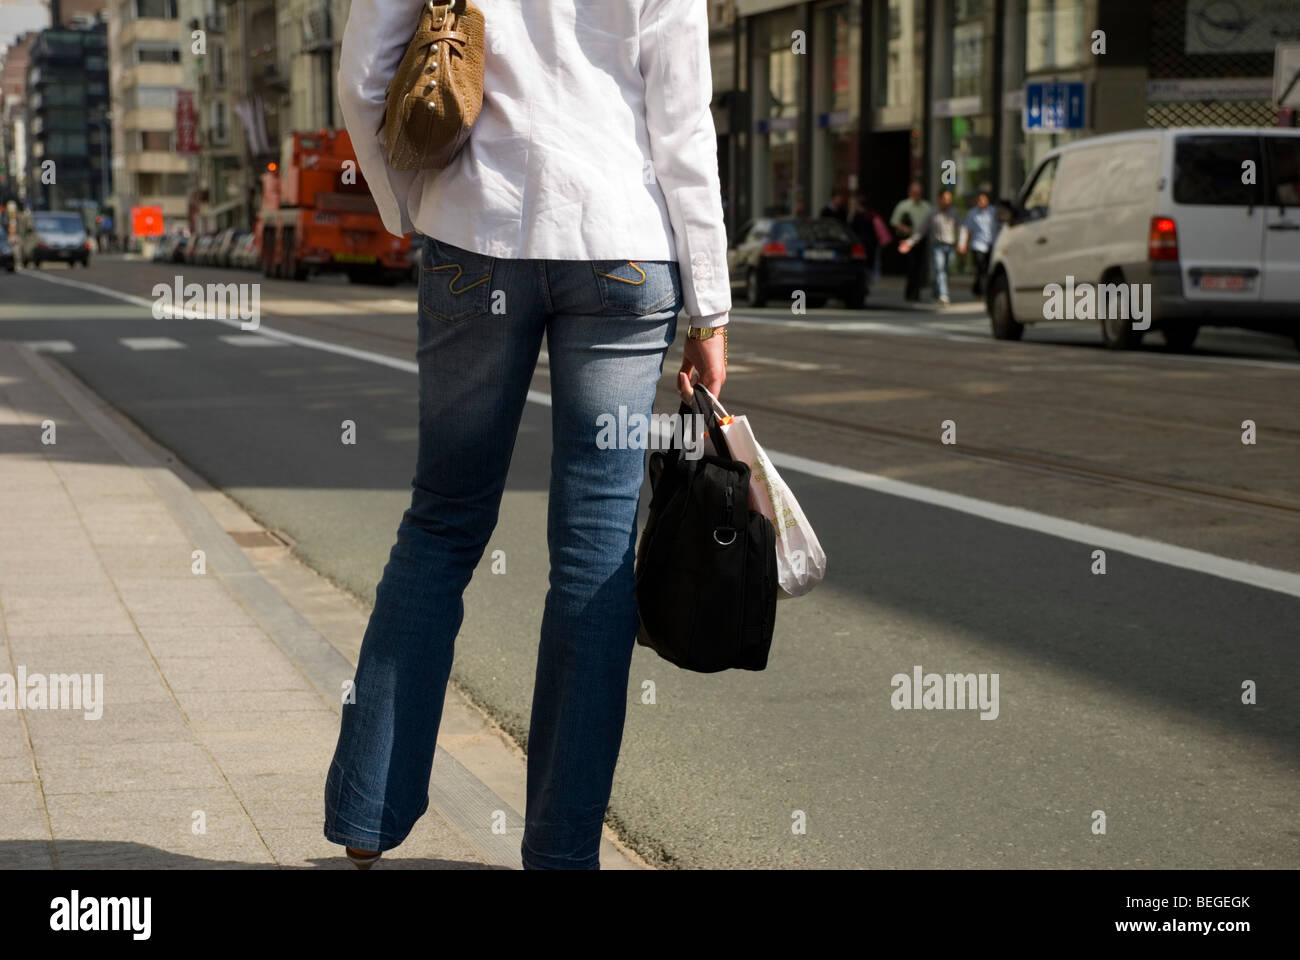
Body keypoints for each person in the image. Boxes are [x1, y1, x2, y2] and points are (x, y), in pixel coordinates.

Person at [329, 0, 729, 871]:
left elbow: (364, 72)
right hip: (621, 246)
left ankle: (368, 813)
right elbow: (682, 117)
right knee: (594, 555)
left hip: (476, 230)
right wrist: (710, 308)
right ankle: (562, 852)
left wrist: (410, 208)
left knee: (440, 525)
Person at [902, 189, 958, 305]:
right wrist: (909, 242)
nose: (947, 201)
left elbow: (962, 228)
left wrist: (962, 244)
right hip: (937, 245)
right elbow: (921, 230)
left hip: (950, 245)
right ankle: (943, 294)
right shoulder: (933, 213)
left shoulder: (954, 213)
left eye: (949, 199)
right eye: (945, 199)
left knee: (946, 270)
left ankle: (936, 290)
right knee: (940, 269)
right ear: (940, 199)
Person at [890, 181, 932, 301]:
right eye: (914, 193)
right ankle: (910, 293)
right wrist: (905, 228)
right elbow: (894, 222)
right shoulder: (904, 206)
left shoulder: (926, 206)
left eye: (919, 193)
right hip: (907, 240)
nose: (917, 195)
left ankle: (916, 293)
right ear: (910, 193)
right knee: (911, 267)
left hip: (921, 240)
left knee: (919, 268)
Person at [957, 190, 998, 297]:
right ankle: (984, 291)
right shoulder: (972, 213)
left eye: (983, 199)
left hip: (991, 243)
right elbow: (967, 230)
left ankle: (977, 288)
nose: (981, 202)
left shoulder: (994, 212)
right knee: (981, 268)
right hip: (977, 244)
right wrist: (963, 244)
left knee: (988, 269)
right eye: (979, 200)